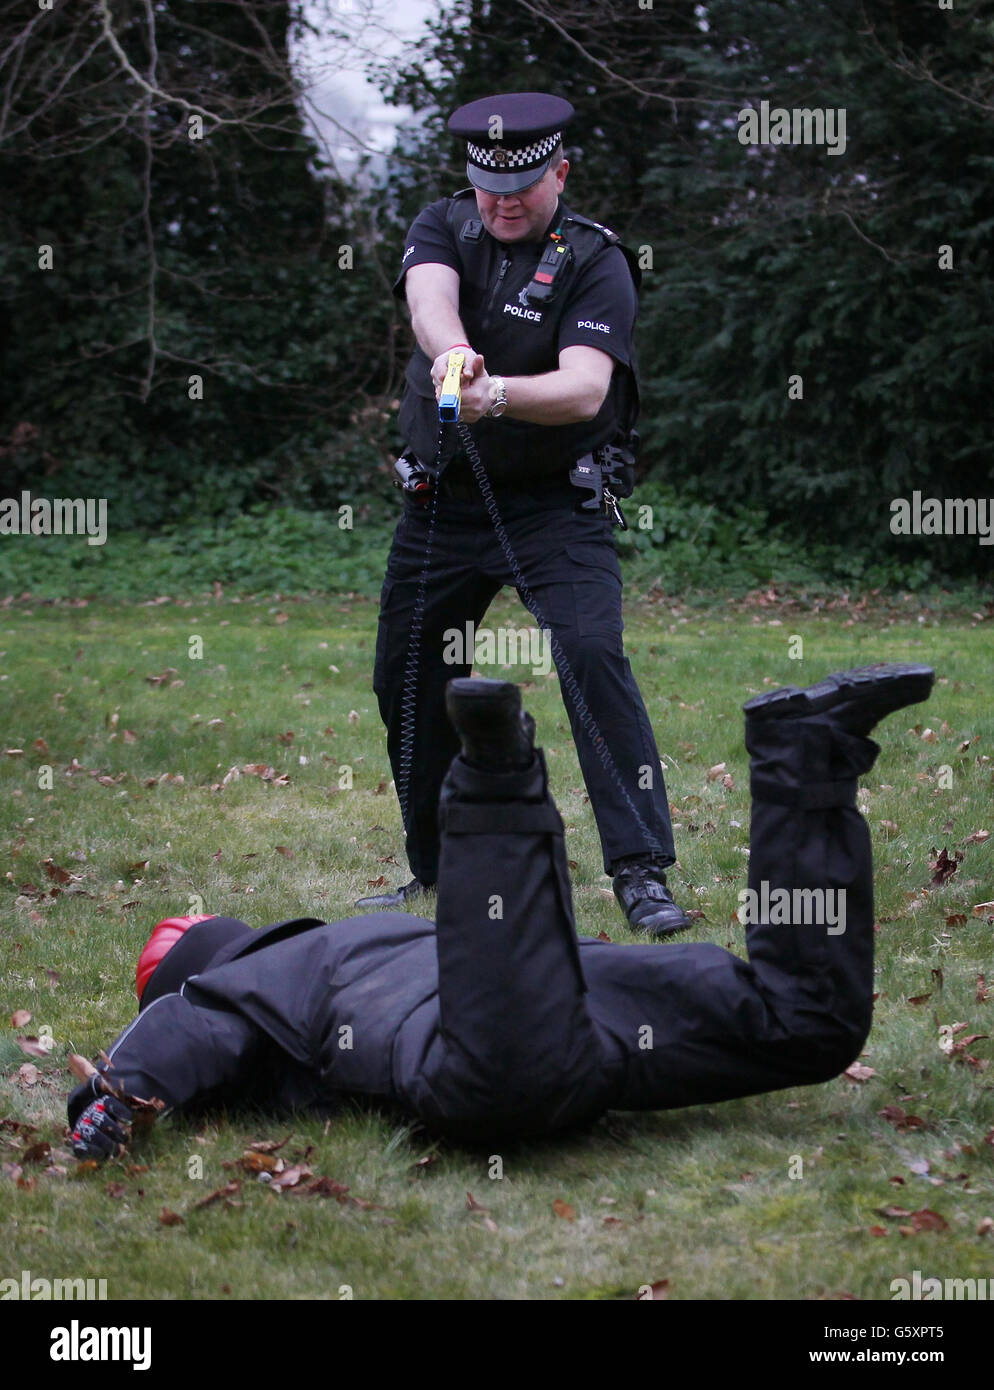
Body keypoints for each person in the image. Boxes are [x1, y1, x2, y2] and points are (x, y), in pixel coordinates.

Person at [69, 663, 934, 1159]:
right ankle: (805, 755)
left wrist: (114, 1095)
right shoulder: (351, 943)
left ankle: (493, 771)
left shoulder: (254, 983)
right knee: (810, 1021)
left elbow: (189, 1029)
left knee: (511, 1072)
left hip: (506, 1043)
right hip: (593, 1000)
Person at [358, 90, 688, 938]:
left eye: (523, 189)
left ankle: (642, 873)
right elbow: (428, 300)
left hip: (554, 505)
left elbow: (584, 389)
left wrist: (495, 395)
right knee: (405, 671)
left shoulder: (595, 259)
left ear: (561, 173)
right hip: (444, 503)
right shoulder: (444, 224)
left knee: (589, 654)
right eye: (488, 189)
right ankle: (433, 869)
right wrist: (455, 351)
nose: (502, 205)